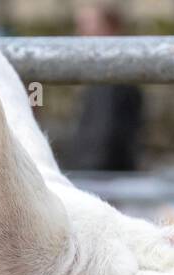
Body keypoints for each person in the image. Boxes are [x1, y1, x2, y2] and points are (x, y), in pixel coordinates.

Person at [63, 4, 144, 172]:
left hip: (101, 178)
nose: (79, 34)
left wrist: (84, 175)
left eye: (87, 25)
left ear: (110, 29)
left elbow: (104, 138)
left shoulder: (111, 78)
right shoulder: (114, 73)